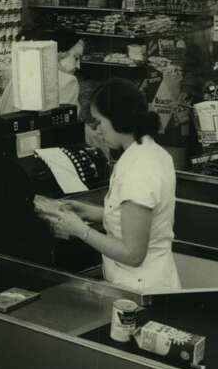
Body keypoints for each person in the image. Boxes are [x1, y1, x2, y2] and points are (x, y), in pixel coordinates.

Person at [44, 78, 181, 292]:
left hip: (140, 287)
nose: (97, 131)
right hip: (147, 280)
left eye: (99, 122)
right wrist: (89, 212)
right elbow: (137, 219)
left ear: (119, 119)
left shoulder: (138, 170)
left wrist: (79, 229)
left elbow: (133, 254)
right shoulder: (150, 151)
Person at [0, 28, 84, 116]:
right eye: (75, 58)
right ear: (60, 53)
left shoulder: (23, 73)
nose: (78, 66)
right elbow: (63, 123)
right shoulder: (68, 81)